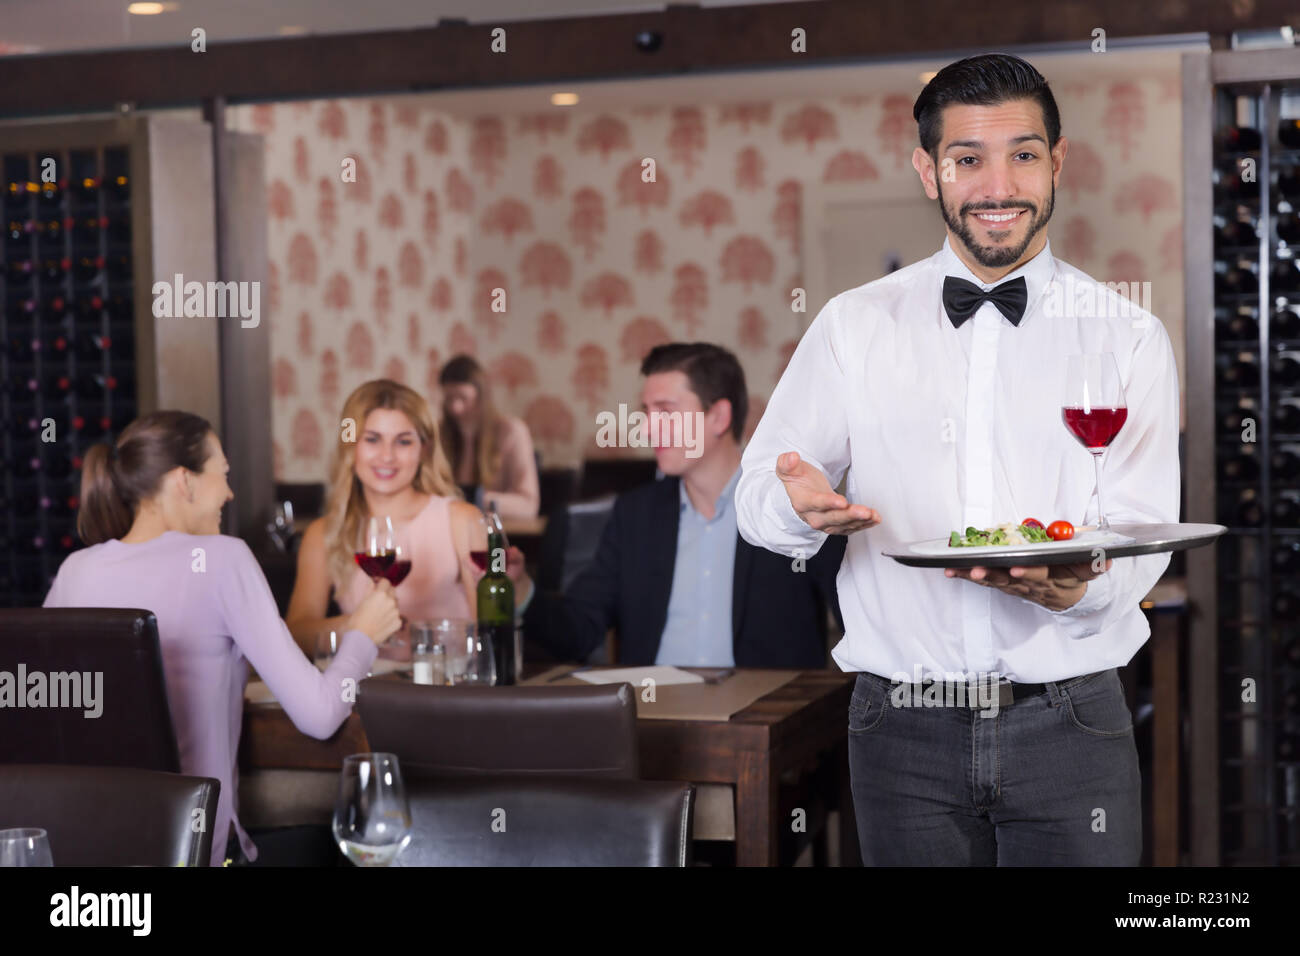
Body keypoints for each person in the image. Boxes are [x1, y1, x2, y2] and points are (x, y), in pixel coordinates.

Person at [735, 53, 1180, 865]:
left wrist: (1081, 590)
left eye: (1023, 154)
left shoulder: (1128, 336)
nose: (998, 184)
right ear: (927, 170)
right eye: (967, 159)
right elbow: (760, 494)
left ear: (1058, 161)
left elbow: (1141, 525)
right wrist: (793, 506)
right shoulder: (852, 326)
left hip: (1071, 722)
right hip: (899, 728)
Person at [42, 411, 403, 867]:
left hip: (88, 852)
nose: (229, 493)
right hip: (198, 853)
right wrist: (362, 634)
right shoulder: (220, 558)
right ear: (184, 482)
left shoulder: (77, 571)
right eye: (223, 475)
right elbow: (320, 715)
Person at [525, 343, 845, 668]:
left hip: (766, 715)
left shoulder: (790, 508)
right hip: (653, 714)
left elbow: (856, 627)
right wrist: (520, 591)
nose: (648, 429)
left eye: (665, 412)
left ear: (719, 417)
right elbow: (578, 630)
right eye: (646, 413)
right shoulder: (634, 516)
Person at [286, 378, 534, 659]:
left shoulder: (462, 520)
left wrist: (514, 585)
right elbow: (295, 634)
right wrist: (358, 628)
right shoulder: (322, 533)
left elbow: (491, 636)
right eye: (372, 439)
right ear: (350, 445)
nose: (387, 456)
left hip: (449, 691)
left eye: (403, 441)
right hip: (367, 694)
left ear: (424, 449)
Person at [438, 354, 540, 519]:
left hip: (499, 533)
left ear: (481, 396)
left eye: (463, 398)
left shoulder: (512, 431)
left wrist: (475, 499)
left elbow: (528, 505)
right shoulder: (438, 433)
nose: (456, 408)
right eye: (449, 399)